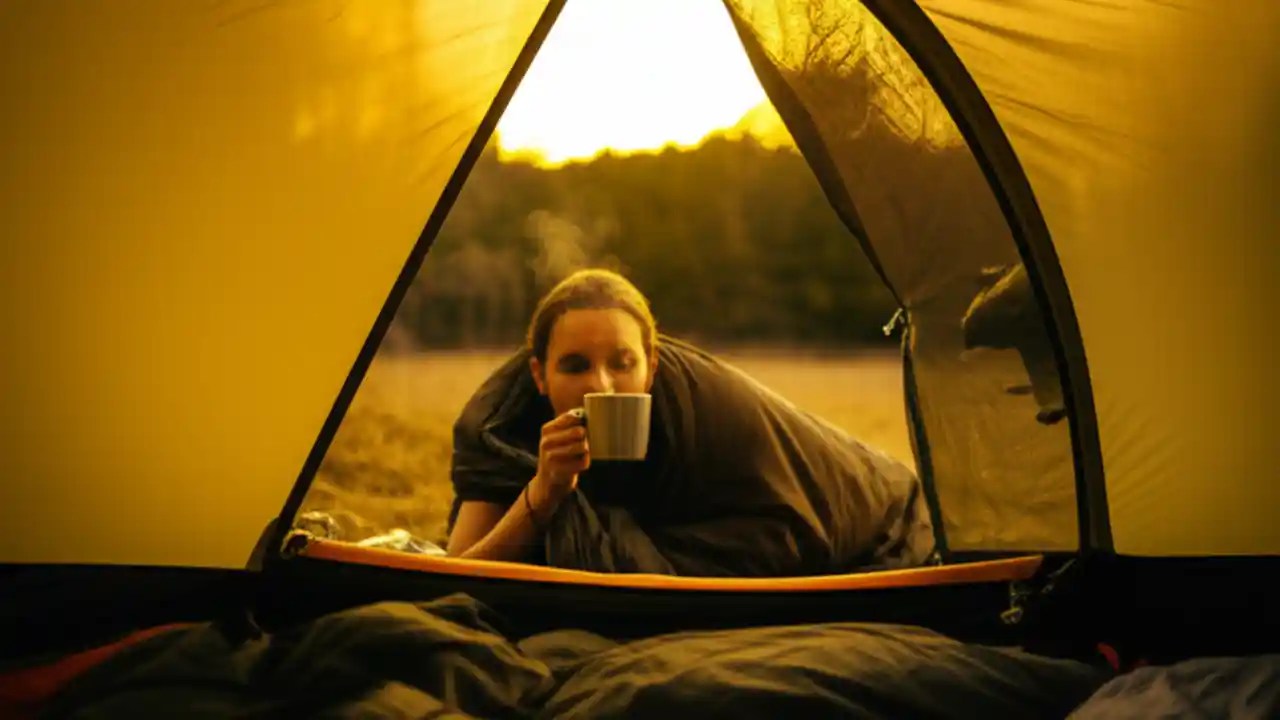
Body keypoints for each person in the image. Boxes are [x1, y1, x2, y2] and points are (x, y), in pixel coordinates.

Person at [446, 268, 937, 577]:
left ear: (651, 365)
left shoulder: (709, 414)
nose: (604, 385)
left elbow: (794, 528)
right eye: (575, 366)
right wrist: (544, 494)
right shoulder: (501, 426)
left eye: (622, 363)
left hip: (890, 514)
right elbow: (460, 573)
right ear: (538, 373)